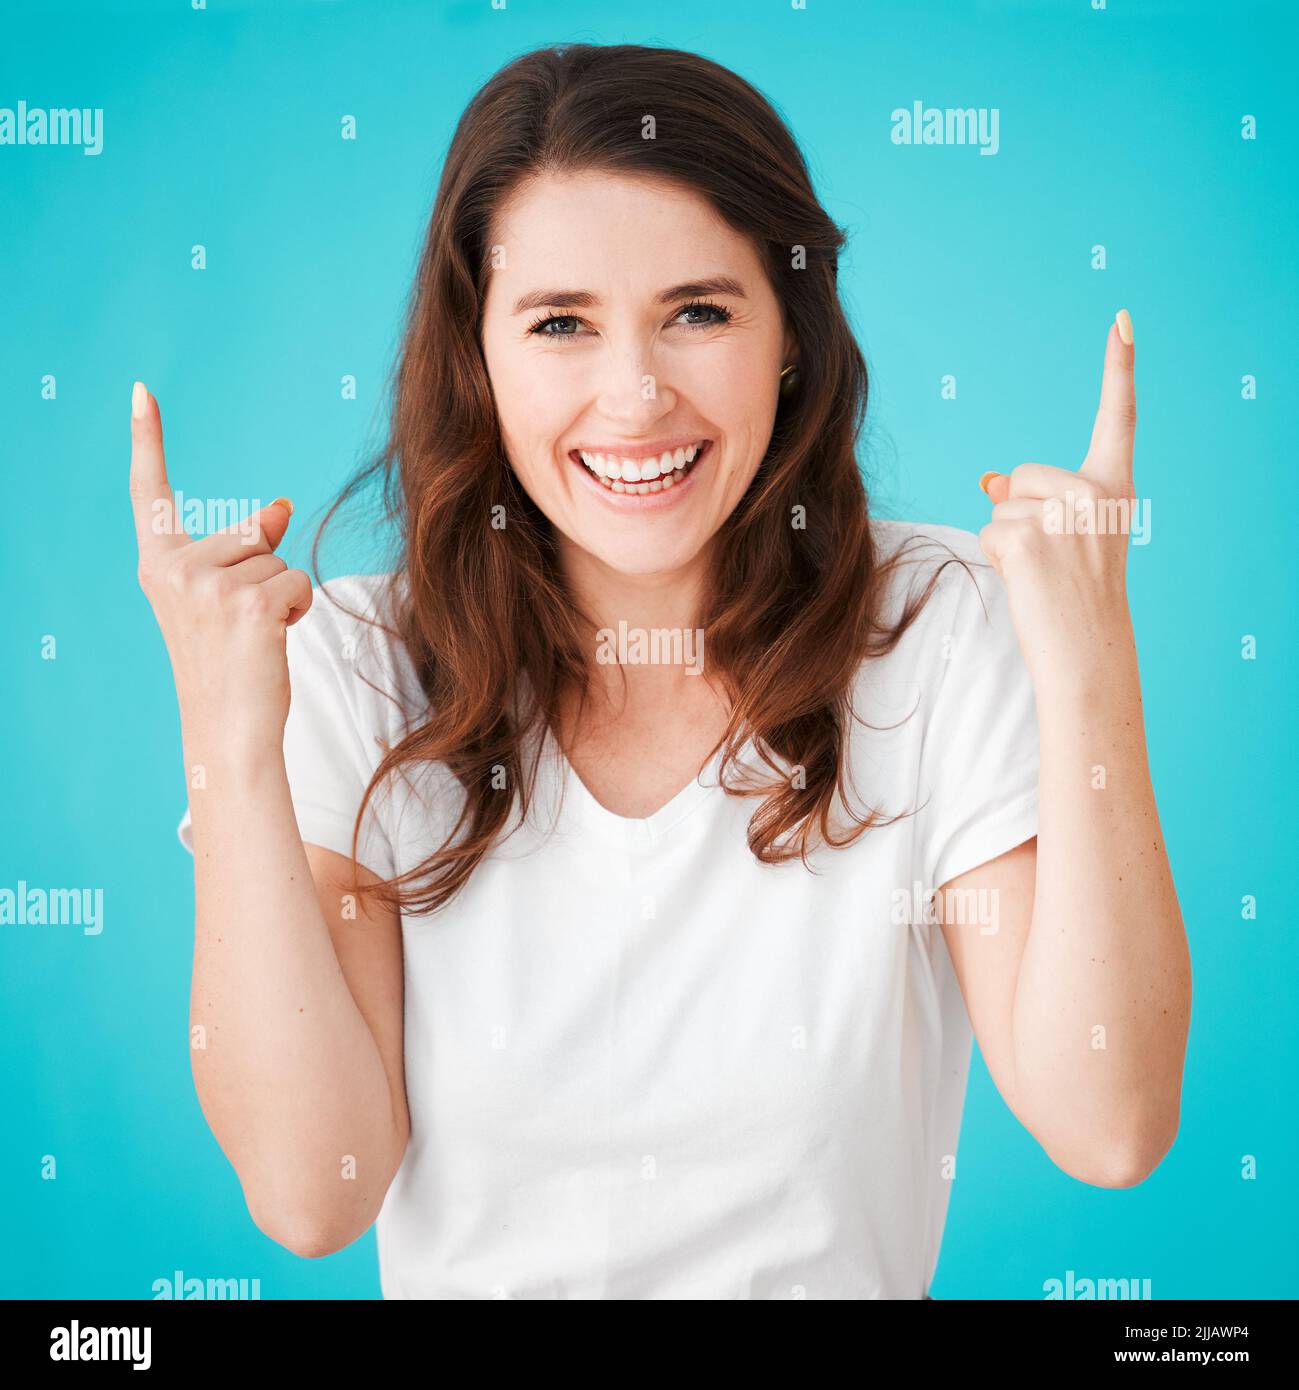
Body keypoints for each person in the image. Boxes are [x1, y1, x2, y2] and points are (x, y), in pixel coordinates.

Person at [130, 43, 1191, 1299]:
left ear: (791, 333)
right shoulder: (357, 665)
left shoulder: (938, 621)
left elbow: (1109, 1123)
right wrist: (231, 741)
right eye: (561, 323)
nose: (635, 397)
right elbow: (316, 1193)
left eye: (699, 312)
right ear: (479, 358)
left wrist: (1092, 660)